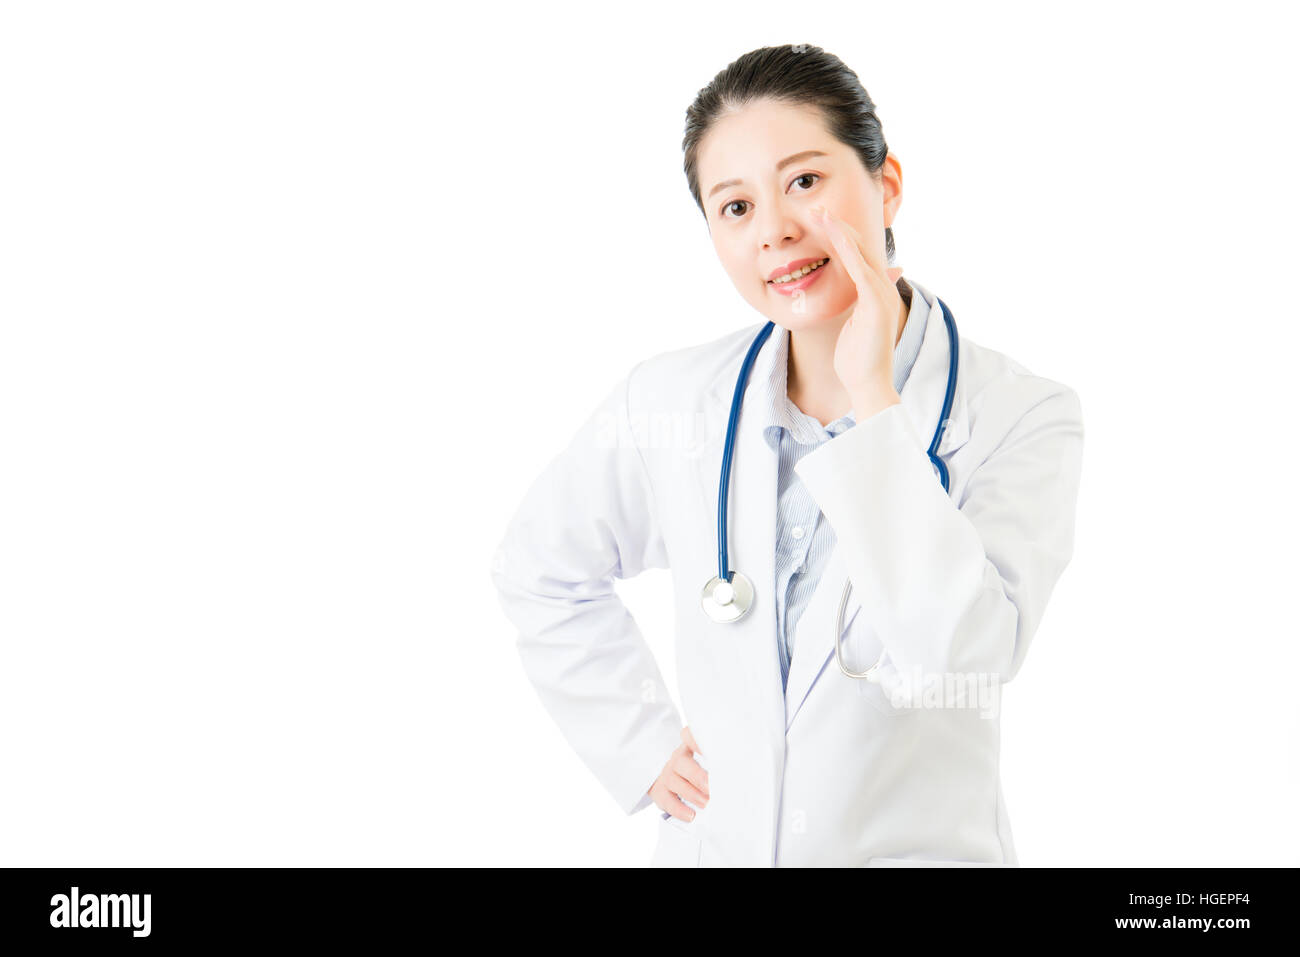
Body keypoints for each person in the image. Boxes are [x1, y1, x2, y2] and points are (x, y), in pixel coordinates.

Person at [490, 43, 1084, 867]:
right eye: (735, 207)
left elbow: (958, 657)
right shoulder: (670, 400)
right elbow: (538, 566)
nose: (775, 229)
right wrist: (641, 742)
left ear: (887, 186)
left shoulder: (1021, 414)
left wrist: (876, 402)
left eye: (805, 181)